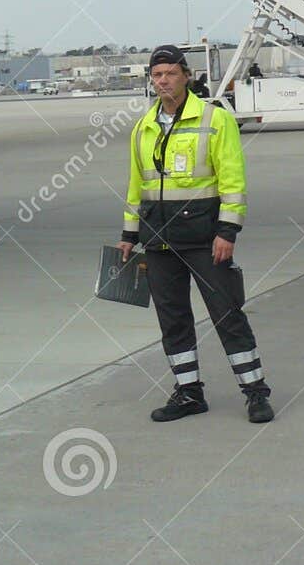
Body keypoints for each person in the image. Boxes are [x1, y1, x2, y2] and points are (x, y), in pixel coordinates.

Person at [115, 45, 273, 425]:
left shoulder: (215, 120)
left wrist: (228, 231)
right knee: (173, 321)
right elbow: (137, 187)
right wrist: (129, 234)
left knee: (227, 315)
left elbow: (232, 180)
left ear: (186, 76)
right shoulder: (143, 128)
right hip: (158, 241)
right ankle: (188, 393)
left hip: (205, 239)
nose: (163, 81)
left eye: (170, 73)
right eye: (157, 75)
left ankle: (255, 392)